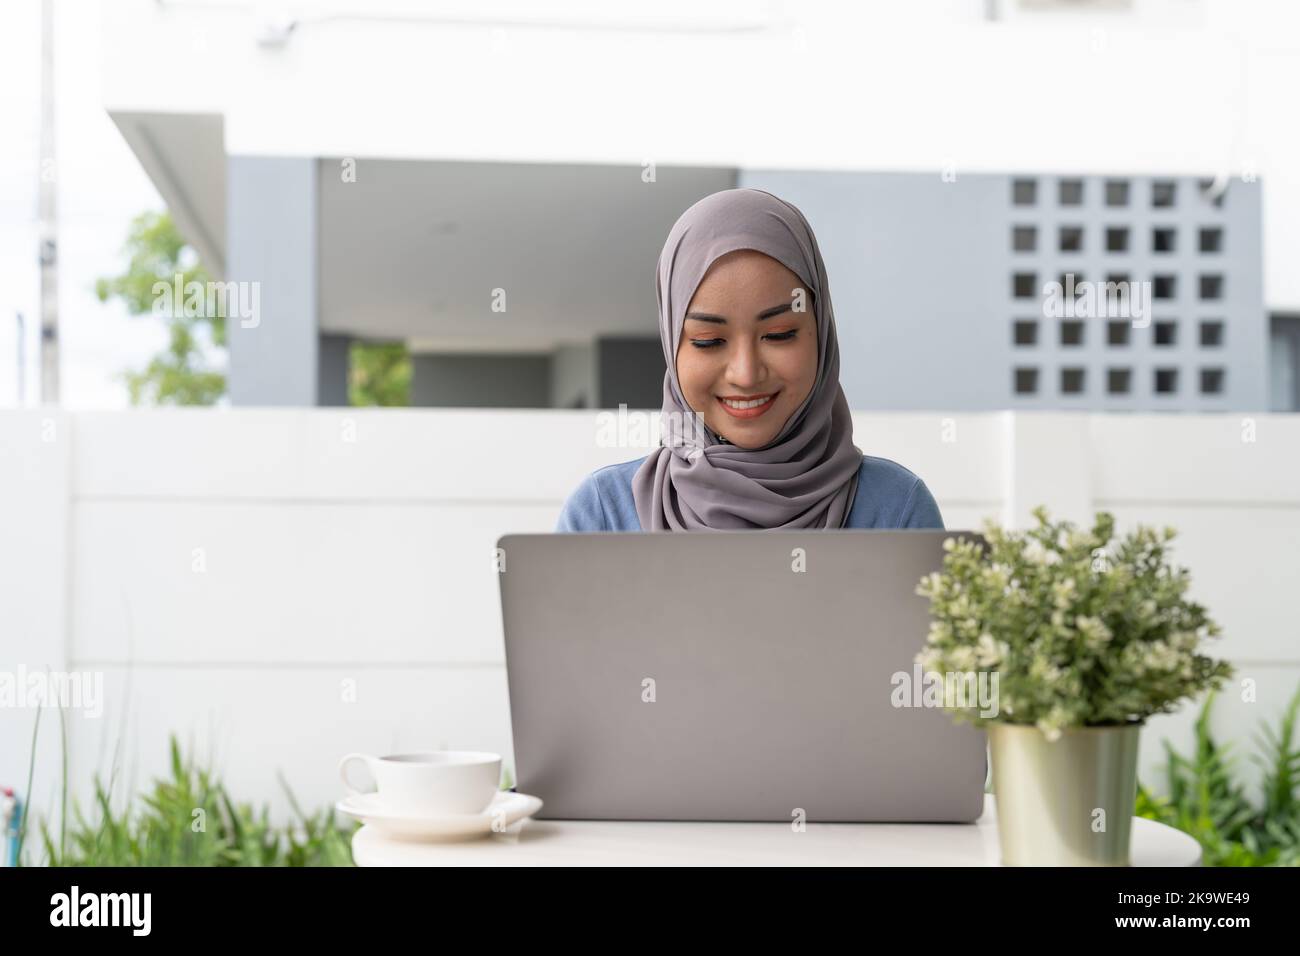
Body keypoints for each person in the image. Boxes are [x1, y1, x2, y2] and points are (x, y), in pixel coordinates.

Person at [556, 187, 943, 533]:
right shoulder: (603, 515)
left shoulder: (896, 511)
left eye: (779, 334)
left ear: (822, 333)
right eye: (708, 341)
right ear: (673, 347)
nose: (745, 374)